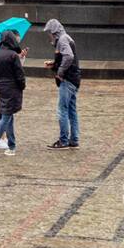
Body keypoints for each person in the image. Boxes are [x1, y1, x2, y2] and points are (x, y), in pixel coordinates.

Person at [0, 29, 26, 158]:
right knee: (7, 116)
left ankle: (12, 146)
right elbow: (19, 74)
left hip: (1, 88)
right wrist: (22, 85)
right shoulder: (13, 56)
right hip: (12, 88)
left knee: (8, 115)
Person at [44, 18, 80, 149]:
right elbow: (67, 58)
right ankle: (74, 139)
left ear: (54, 31)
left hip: (67, 80)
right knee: (72, 110)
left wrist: (60, 71)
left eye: (49, 32)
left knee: (62, 110)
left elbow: (69, 57)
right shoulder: (65, 38)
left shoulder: (63, 39)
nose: (49, 35)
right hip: (74, 79)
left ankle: (63, 140)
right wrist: (53, 64)